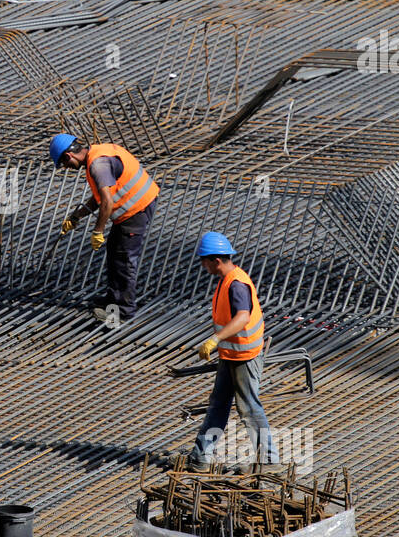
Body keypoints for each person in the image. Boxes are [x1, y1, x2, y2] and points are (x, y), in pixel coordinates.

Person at [185, 231, 278, 472]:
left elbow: (243, 317)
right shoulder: (226, 280)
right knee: (218, 404)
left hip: (244, 357)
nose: (202, 265)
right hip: (231, 354)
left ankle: (268, 459)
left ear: (216, 260)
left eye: (203, 260)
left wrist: (215, 339)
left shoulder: (236, 283)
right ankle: (201, 456)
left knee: (249, 407)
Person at [50, 133, 159, 322]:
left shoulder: (97, 166)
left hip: (136, 209)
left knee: (124, 260)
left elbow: (107, 202)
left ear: (69, 156)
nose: (68, 168)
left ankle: (124, 312)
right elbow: (100, 197)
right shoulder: (98, 153)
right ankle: (113, 299)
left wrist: (97, 231)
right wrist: (77, 216)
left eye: (65, 165)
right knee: (114, 252)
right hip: (135, 206)